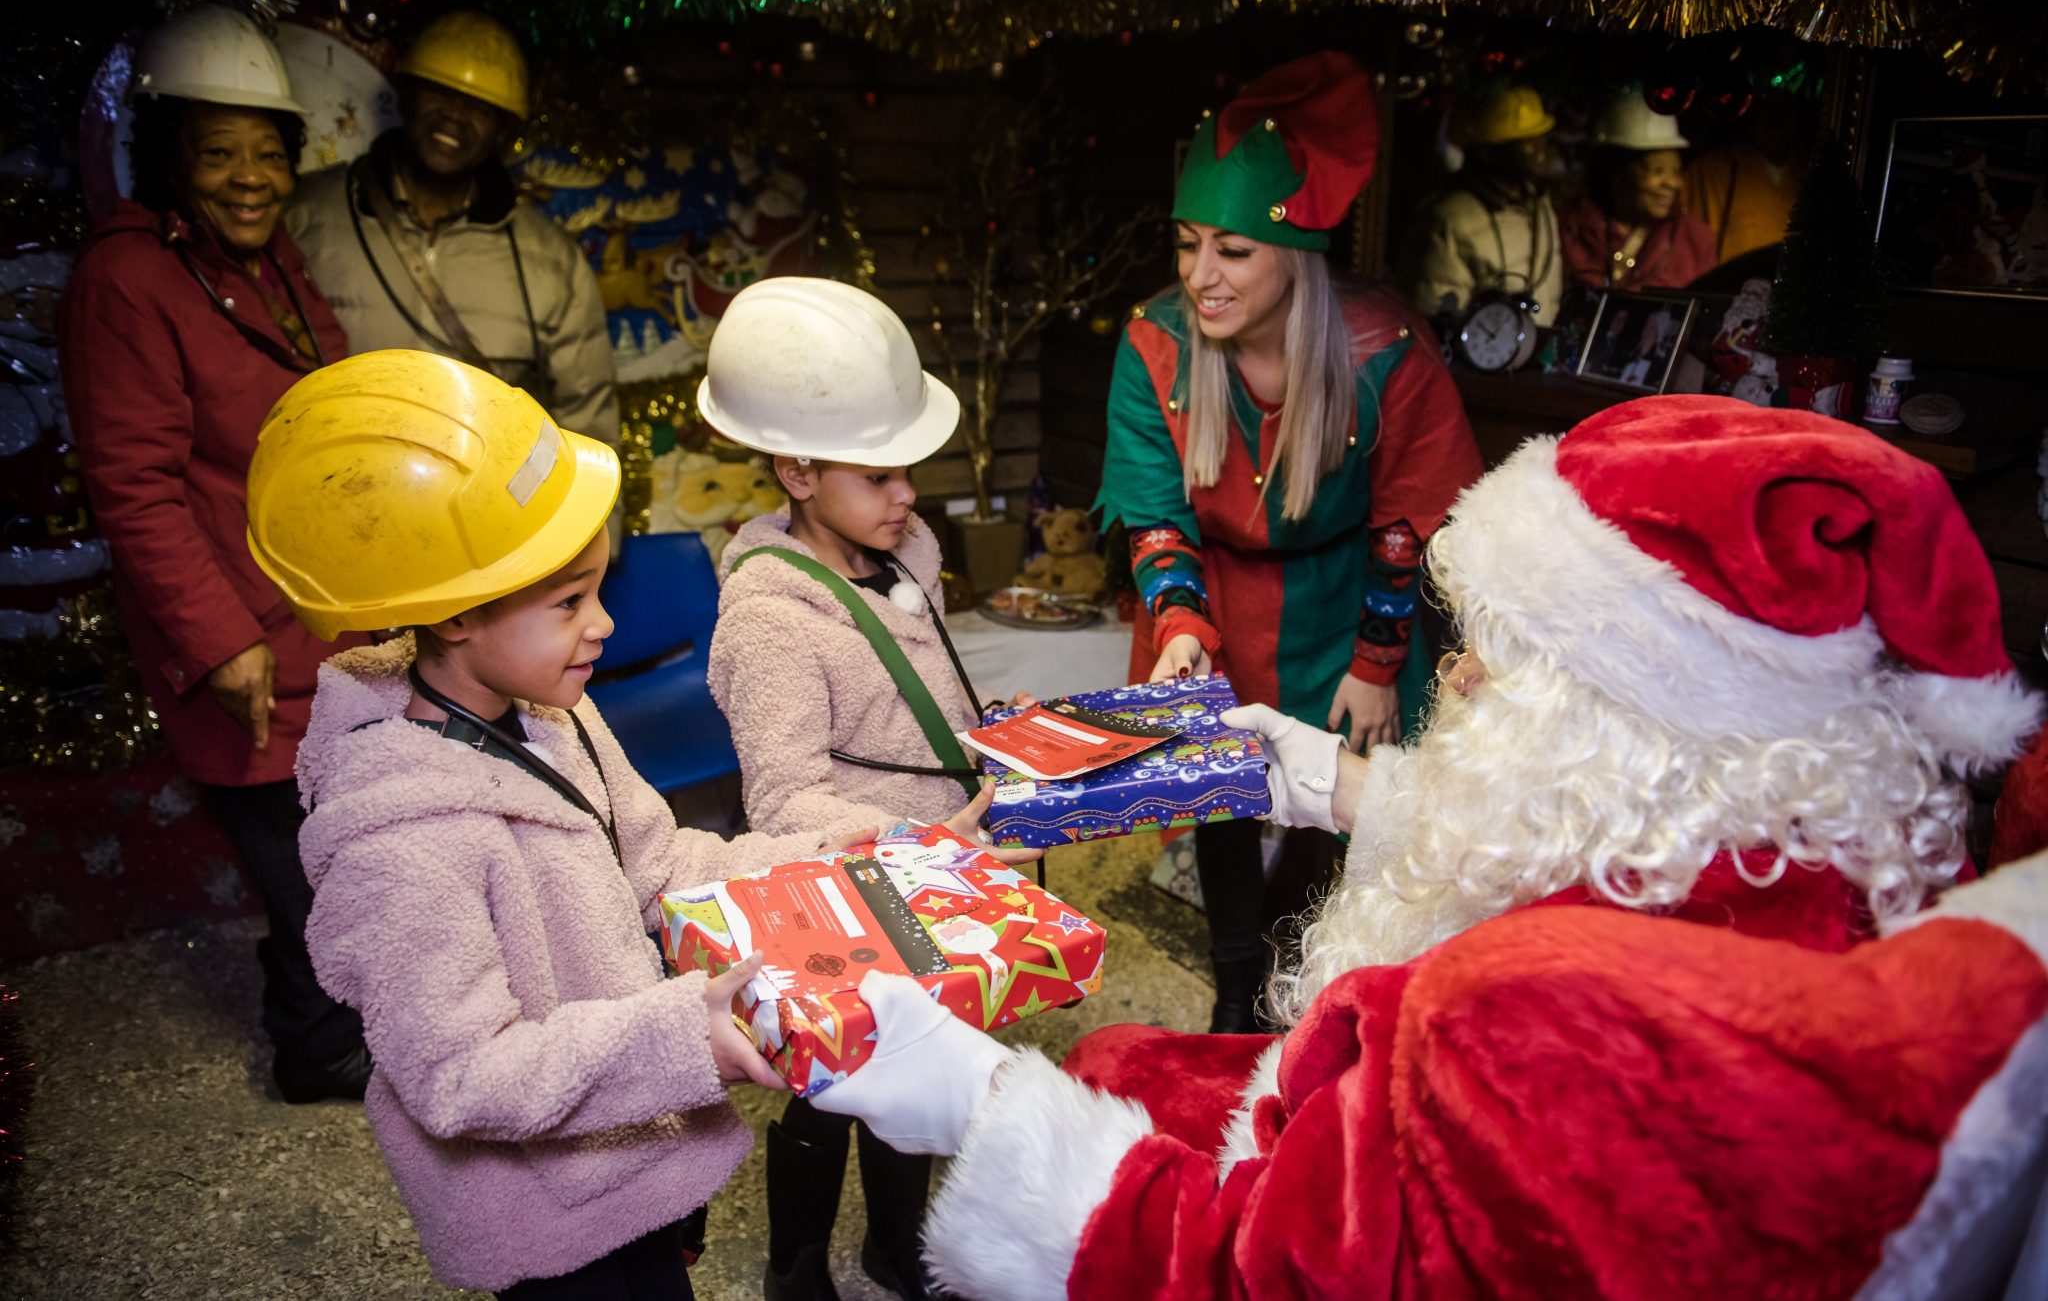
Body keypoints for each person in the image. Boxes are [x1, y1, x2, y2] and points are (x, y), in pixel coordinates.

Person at [814, 394, 2048, 1300]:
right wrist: (1317, 774)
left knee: (1099, 1060)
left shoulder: (1527, 1019)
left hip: (1264, 1203)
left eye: (1495, 663)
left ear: (1619, 721)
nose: (1451, 673)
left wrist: (985, 1103)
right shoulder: (1811, 854)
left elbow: (1253, 1274)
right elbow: (1555, 846)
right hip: (1346, 1114)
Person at [243, 348, 873, 1298]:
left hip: (629, 1149)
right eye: (568, 602)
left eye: (598, 590)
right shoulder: (395, 843)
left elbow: (660, 864)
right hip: (552, 1219)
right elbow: (460, 1074)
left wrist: (827, 857)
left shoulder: (553, 710)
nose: (605, 626)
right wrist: (678, 1040)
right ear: (455, 615)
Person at [1095, 50, 1482, 1033]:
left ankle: (1307, 987)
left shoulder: (1383, 348)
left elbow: (1407, 518)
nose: (1198, 275)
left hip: (1346, 601)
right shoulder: (1152, 342)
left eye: (1230, 249)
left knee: (1337, 784)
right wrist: (1178, 623)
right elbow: (1154, 517)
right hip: (1213, 597)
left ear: (1292, 254)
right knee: (1221, 784)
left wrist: (1375, 660)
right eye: (1186, 244)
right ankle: (1234, 995)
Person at [703, 277, 1039, 1301]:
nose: (906, 496)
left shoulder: (901, 555)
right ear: (795, 469)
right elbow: (781, 796)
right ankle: (795, 1267)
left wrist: (989, 727)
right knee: (827, 1085)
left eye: (908, 472)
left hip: (936, 865)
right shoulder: (768, 620)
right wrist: (916, 830)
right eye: (878, 475)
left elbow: (913, 696)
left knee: (920, 1067)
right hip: (850, 883)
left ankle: (902, 1250)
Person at [58, 6, 369, 1103]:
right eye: (218, 153)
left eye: (269, 152)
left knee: (331, 837)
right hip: (235, 624)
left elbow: (325, 405)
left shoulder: (275, 264)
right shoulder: (130, 278)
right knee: (294, 851)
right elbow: (133, 486)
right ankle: (319, 1046)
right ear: (169, 158)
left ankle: (316, 1026)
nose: (250, 177)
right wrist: (220, 641)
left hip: (313, 611)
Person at [284, 11, 620, 543]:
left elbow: (586, 415)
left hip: (486, 536)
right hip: (335, 518)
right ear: (408, 95)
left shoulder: (547, 259)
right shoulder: (307, 220)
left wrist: (582, 550)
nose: (454, 118)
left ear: (505, 132)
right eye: (440, 94)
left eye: (480, 109)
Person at [1407, 83, 1564, 327]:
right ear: (1489, 153)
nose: (1541, 149)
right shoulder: (1451, 218)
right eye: (1527, 141)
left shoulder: (1540, 208)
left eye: (1541, 137)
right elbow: (1433, 315)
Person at [1561, 92, 1718, 293]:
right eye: (1657, 171)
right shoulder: (1574, 226)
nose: (1673, 184)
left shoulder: (1694, 238)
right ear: (1617, 172)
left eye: (1676, 171)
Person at [1682, 90, 1811, 266]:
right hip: (1726, 290)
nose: (1775, 116)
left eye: (1784, 107)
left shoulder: (1816, 174)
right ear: (1750, 112)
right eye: (1766, 107)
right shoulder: (1709, 171)